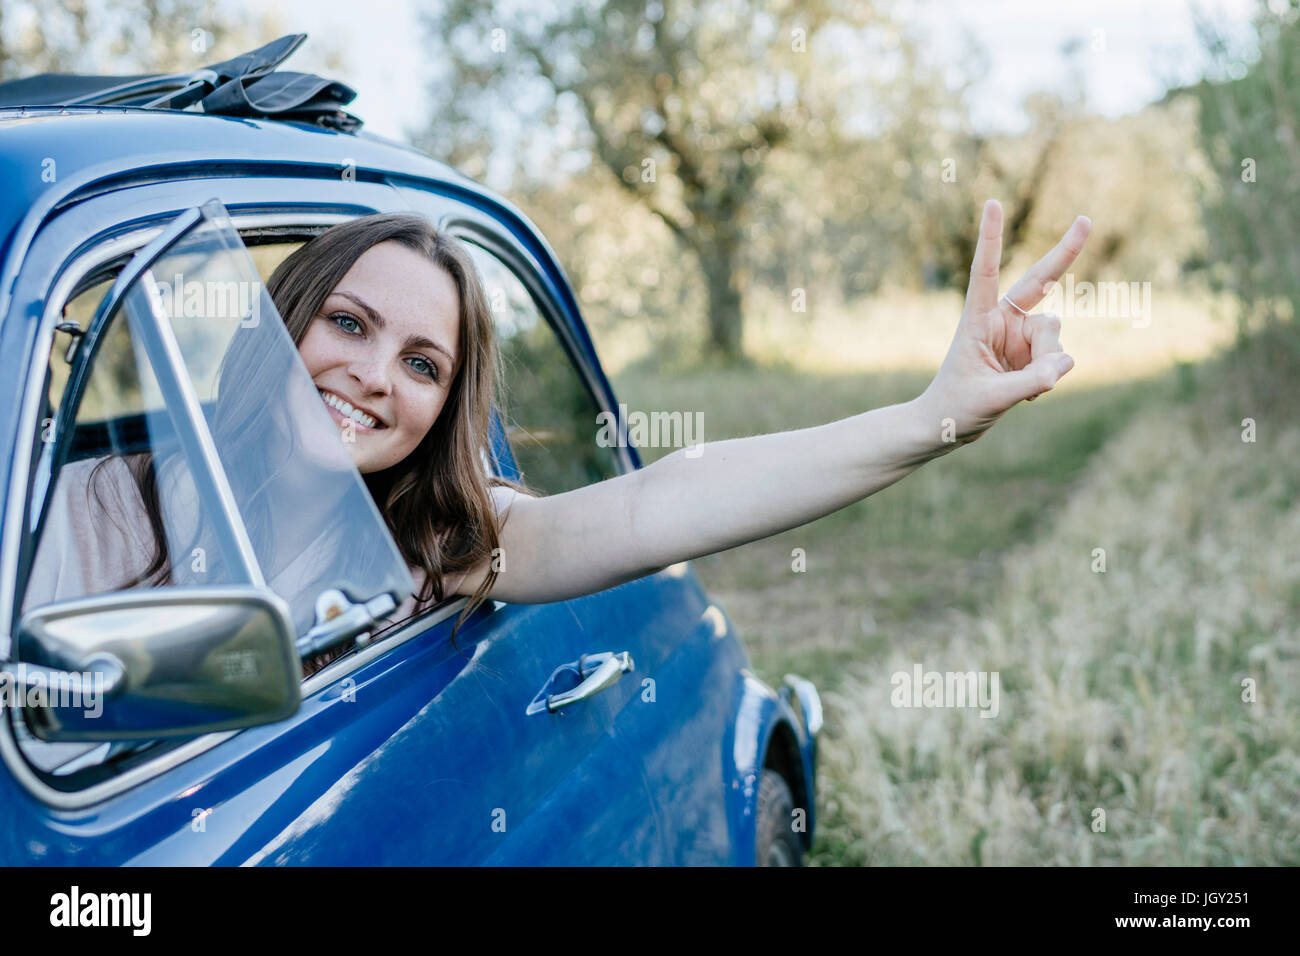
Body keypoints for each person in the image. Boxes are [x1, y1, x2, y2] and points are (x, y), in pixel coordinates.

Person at [25, 198, 1090, 678]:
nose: (371, 374)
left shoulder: (439, 543)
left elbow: (660, 499)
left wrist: (929, 418)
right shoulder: (98, 503)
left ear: (443, 409)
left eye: (422, 363)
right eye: (347, 322)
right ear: (283, 319)